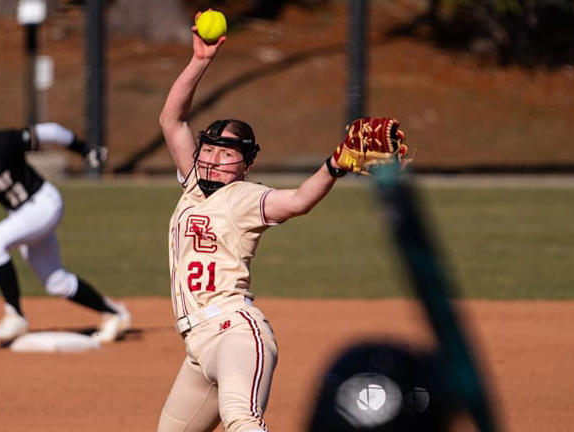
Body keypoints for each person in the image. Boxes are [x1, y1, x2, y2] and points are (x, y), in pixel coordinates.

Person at [156, 11, 408, 432]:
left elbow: (297, 201)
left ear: (248, 162)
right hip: (197, 348)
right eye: (210, 149)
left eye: (227, 152)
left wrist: (335, 164)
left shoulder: (245, 197)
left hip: (235, 334)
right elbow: (171, 119)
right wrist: (200, 60)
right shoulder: (193, 185)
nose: (214, 158)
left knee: (242, 420)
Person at [0, 94, 129, 343]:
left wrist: (83, 149)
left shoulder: (2, 143)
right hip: (23, 215)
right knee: (56, 283)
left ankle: (15, 314)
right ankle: (114, 313)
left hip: (43, 203)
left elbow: (49, 131)